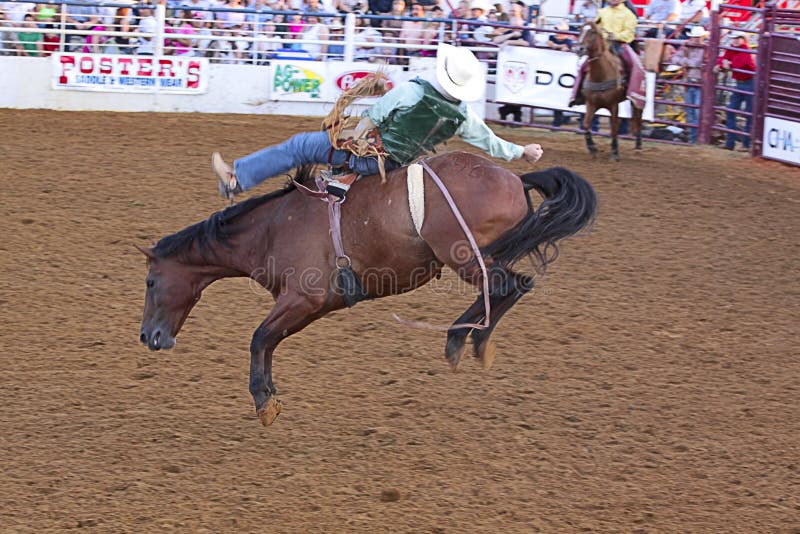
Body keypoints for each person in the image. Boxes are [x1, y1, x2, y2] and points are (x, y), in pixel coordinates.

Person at [211, 43, 544, 201]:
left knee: (300, 146)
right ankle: (342, 179)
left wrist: (350, 136)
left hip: (367, 155)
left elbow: (375, 116)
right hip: (396, 164)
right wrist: (522, 151)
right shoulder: (462, 117)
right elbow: (490, 142)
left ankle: (237, 178)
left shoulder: (413, 92)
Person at [569, 0, 646, 111]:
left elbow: (629, 34)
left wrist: (614, 35)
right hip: (602, 44)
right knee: (583, 66)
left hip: (619, 44)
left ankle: (632, 92)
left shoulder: (628, 14)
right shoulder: (603, 12)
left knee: (634, 65)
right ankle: (577, 95)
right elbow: (595, 27)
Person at [715, 31, 755, 151]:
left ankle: (745, 144)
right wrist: (723, 63)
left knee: (748, 114)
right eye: (734, 38)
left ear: (743, 39)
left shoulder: (746, 50)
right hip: (742, 83)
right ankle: (731, 143)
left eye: (738, 38)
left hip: (750, 83)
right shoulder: (733, 49)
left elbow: (740, 63)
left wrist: (727, 64)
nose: (735, 40)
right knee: (732, 111)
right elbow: (723, 59)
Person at [669, 24, 706, 143]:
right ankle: (693, 138)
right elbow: (674, 58)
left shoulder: (706, 48)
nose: (696, 39)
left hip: (699, 82)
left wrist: (684, 61)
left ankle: (697, 138)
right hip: (690, 81)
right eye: (694, 37)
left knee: (696, 111)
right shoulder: (687, 46)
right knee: (690, 111)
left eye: (698, 37)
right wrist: (685, 61)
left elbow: (696, 63)